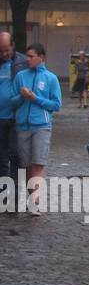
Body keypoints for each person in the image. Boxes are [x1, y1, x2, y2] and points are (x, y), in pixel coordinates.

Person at [14, 43, 61, 215]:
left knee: (38, 163)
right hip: (23, 125)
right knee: (27, 165)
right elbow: (12, 101)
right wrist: (21, 96)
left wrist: (35, 98)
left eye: (31, 56)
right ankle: (31, 198)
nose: (28, 59)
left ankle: (36, 202)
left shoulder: (51, 78)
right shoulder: (20, 76)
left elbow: (56, 104)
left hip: (42, 125)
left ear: (41, 57)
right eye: (27, 55)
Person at [0, 32, 29, 185]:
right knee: (1, 160)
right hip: (0, 118)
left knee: (16, 156)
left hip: (17, 117)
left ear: (13, 46)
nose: (4, 53)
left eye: (6, 49)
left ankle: (14, 199)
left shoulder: (23, 62)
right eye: (0, 50)